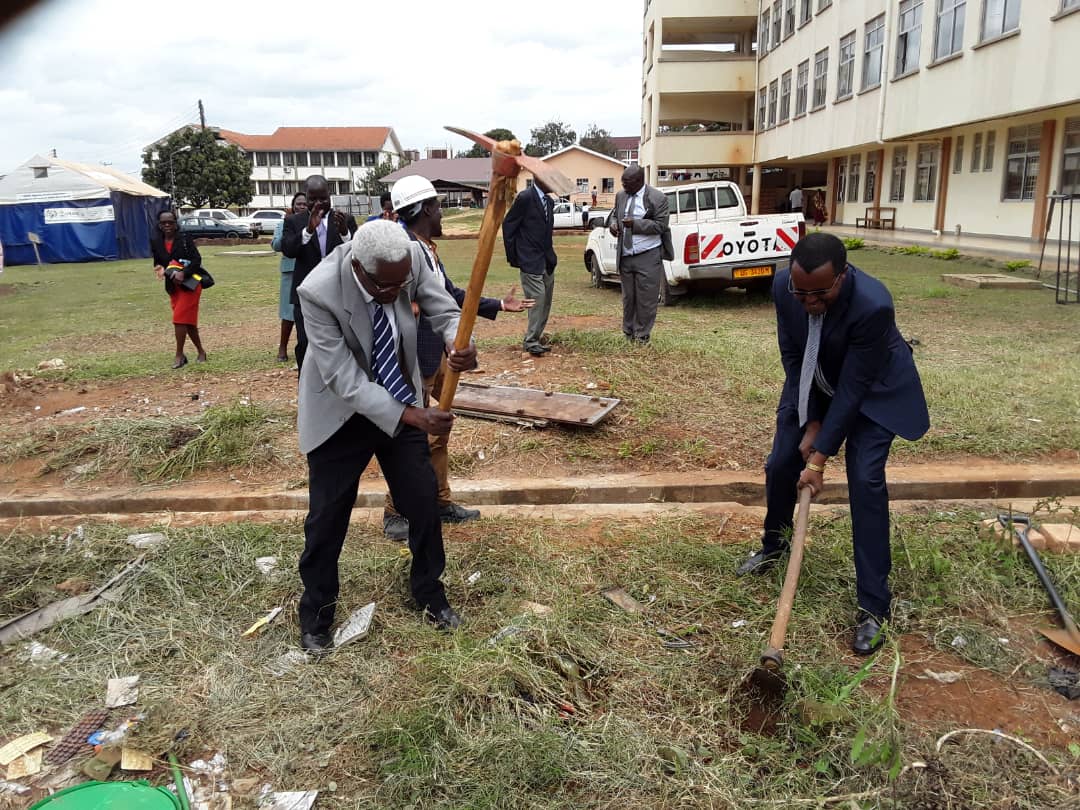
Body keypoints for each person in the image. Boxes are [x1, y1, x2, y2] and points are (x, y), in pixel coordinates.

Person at [735, 232, 929, 656]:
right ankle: (774, 545)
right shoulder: (784, 287)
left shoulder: (873, 304)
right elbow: (791, 352)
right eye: (801, 292)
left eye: (821, 292)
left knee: (865, 480)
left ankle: (874, 609)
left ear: (843, 275)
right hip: (812, 383)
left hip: (874, 392)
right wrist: (810, 420)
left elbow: (855, 388)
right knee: (780, 463)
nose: (809, 302)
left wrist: (820, 456)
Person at [296, 220, 478, 653]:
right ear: (358, 267)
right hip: (340, 415)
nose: (397, 293)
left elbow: (445, 309)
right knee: (327, 519)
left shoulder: (409, 257)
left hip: (400, 394)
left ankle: (430, 595)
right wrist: (412, 415)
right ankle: (317, 615)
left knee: (423, 501)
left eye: (403, 284)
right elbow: (345, 379)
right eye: (386, 287)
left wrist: (458, 341)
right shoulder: (317, 290)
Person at [382, 175, 534, 540]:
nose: (441, 215)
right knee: (413, 436)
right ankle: (394, 511)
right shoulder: (407, 252)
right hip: (412, 360)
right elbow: (395, 302)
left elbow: (449, 295)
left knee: (439, 429)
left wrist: (497, 304)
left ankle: (440, 500)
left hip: (435, 355)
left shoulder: (426, 249)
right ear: (425, 209)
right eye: (437, 208)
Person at [281, 175, 358, 371]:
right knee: (306, 344)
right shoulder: (294, 221)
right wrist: (308, 231)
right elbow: (288, 250)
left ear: (329, 195)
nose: (318, 204)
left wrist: (344, 234)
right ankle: (307, 386)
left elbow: (358, 253)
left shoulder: (344, 219)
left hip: (340, 293)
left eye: (323, 198)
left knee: (342, 343)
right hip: (306, 295)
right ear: (305, 198)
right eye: (312, 199)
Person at [609, 165, 673, 344]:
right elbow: (615, 215)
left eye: (627, 183)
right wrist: (613, 225)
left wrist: (635, 225)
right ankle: (628, 334)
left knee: (646, 299)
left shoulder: (657, 198)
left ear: (639, 181)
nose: (623, 186)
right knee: (628, 298)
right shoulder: (621, 196)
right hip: (626, 255)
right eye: (622, 182)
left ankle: (642, 336)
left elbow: (661, 226)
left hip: (648, 254)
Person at [503, 179, 557, 357]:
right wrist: (515, 257)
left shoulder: (549, 201)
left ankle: (537, 337)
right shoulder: (525, 198)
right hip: (529, 260)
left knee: (546, 301)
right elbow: (509, 225)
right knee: (537, 299)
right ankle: (531, 341)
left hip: (547, 260)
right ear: (540, 179)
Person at [151, 209, 209, 369]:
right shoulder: (156, 241)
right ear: (159, 225)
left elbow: (197, 259)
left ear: (176, 223)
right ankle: (201, 352)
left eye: (170, 222)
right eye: (164, 223)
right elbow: (158, 261)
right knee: (187, 322)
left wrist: (184, 273)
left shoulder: (184, 238)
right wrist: (159, 268)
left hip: (189, 285)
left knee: (179, 319)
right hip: (172, 286)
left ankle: (179, 355)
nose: (167, 225)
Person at [271, 192, 308, 362]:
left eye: (304, 204)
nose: (301, 206)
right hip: (290, 272)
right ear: (293, 206)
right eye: (298, 203)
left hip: (307, 271)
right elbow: (277, 245)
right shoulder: (284, 223)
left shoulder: (311, 223)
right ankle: (282, 347)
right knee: (288, 312)